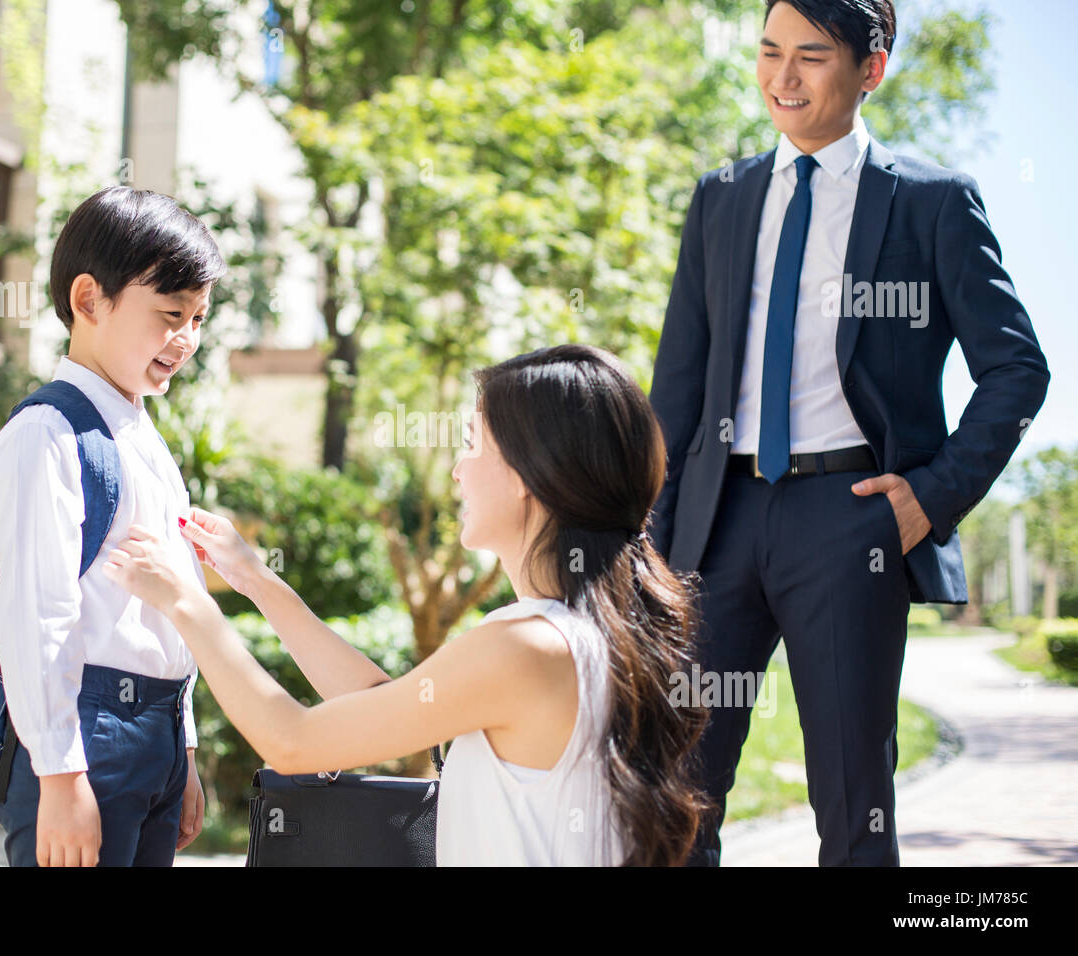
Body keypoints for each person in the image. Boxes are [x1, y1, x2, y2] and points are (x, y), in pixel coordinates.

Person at [647, 0, 1049, 866]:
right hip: (716, 528)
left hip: (853, 518)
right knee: (675, 797)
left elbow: (1018, 369)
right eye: (768, 52)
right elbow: (676, 391)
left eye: (810, 57)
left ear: (871, 68)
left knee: (852, 802)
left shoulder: (933, 203)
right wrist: (652, 547)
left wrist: (928, 501)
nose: (781, 78)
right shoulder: (721, 198)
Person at [101, 344, 713, 866]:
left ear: (528, 474)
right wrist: (259, 581)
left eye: (472, 444)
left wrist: (187, 604)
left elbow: (293, 741)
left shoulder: (530, 647)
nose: (455, 470)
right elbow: (381, 706)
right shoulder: (575, 637)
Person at [0, 185, 227, 866]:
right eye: (170, 314)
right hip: (86, 736)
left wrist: (181, 750)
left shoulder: (143, 435)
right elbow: (36, 616)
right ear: (90, 301)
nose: (187, 340)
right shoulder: (47, 433)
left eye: (199, 319)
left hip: (150, 733)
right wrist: (59, 776)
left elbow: (164, 613)